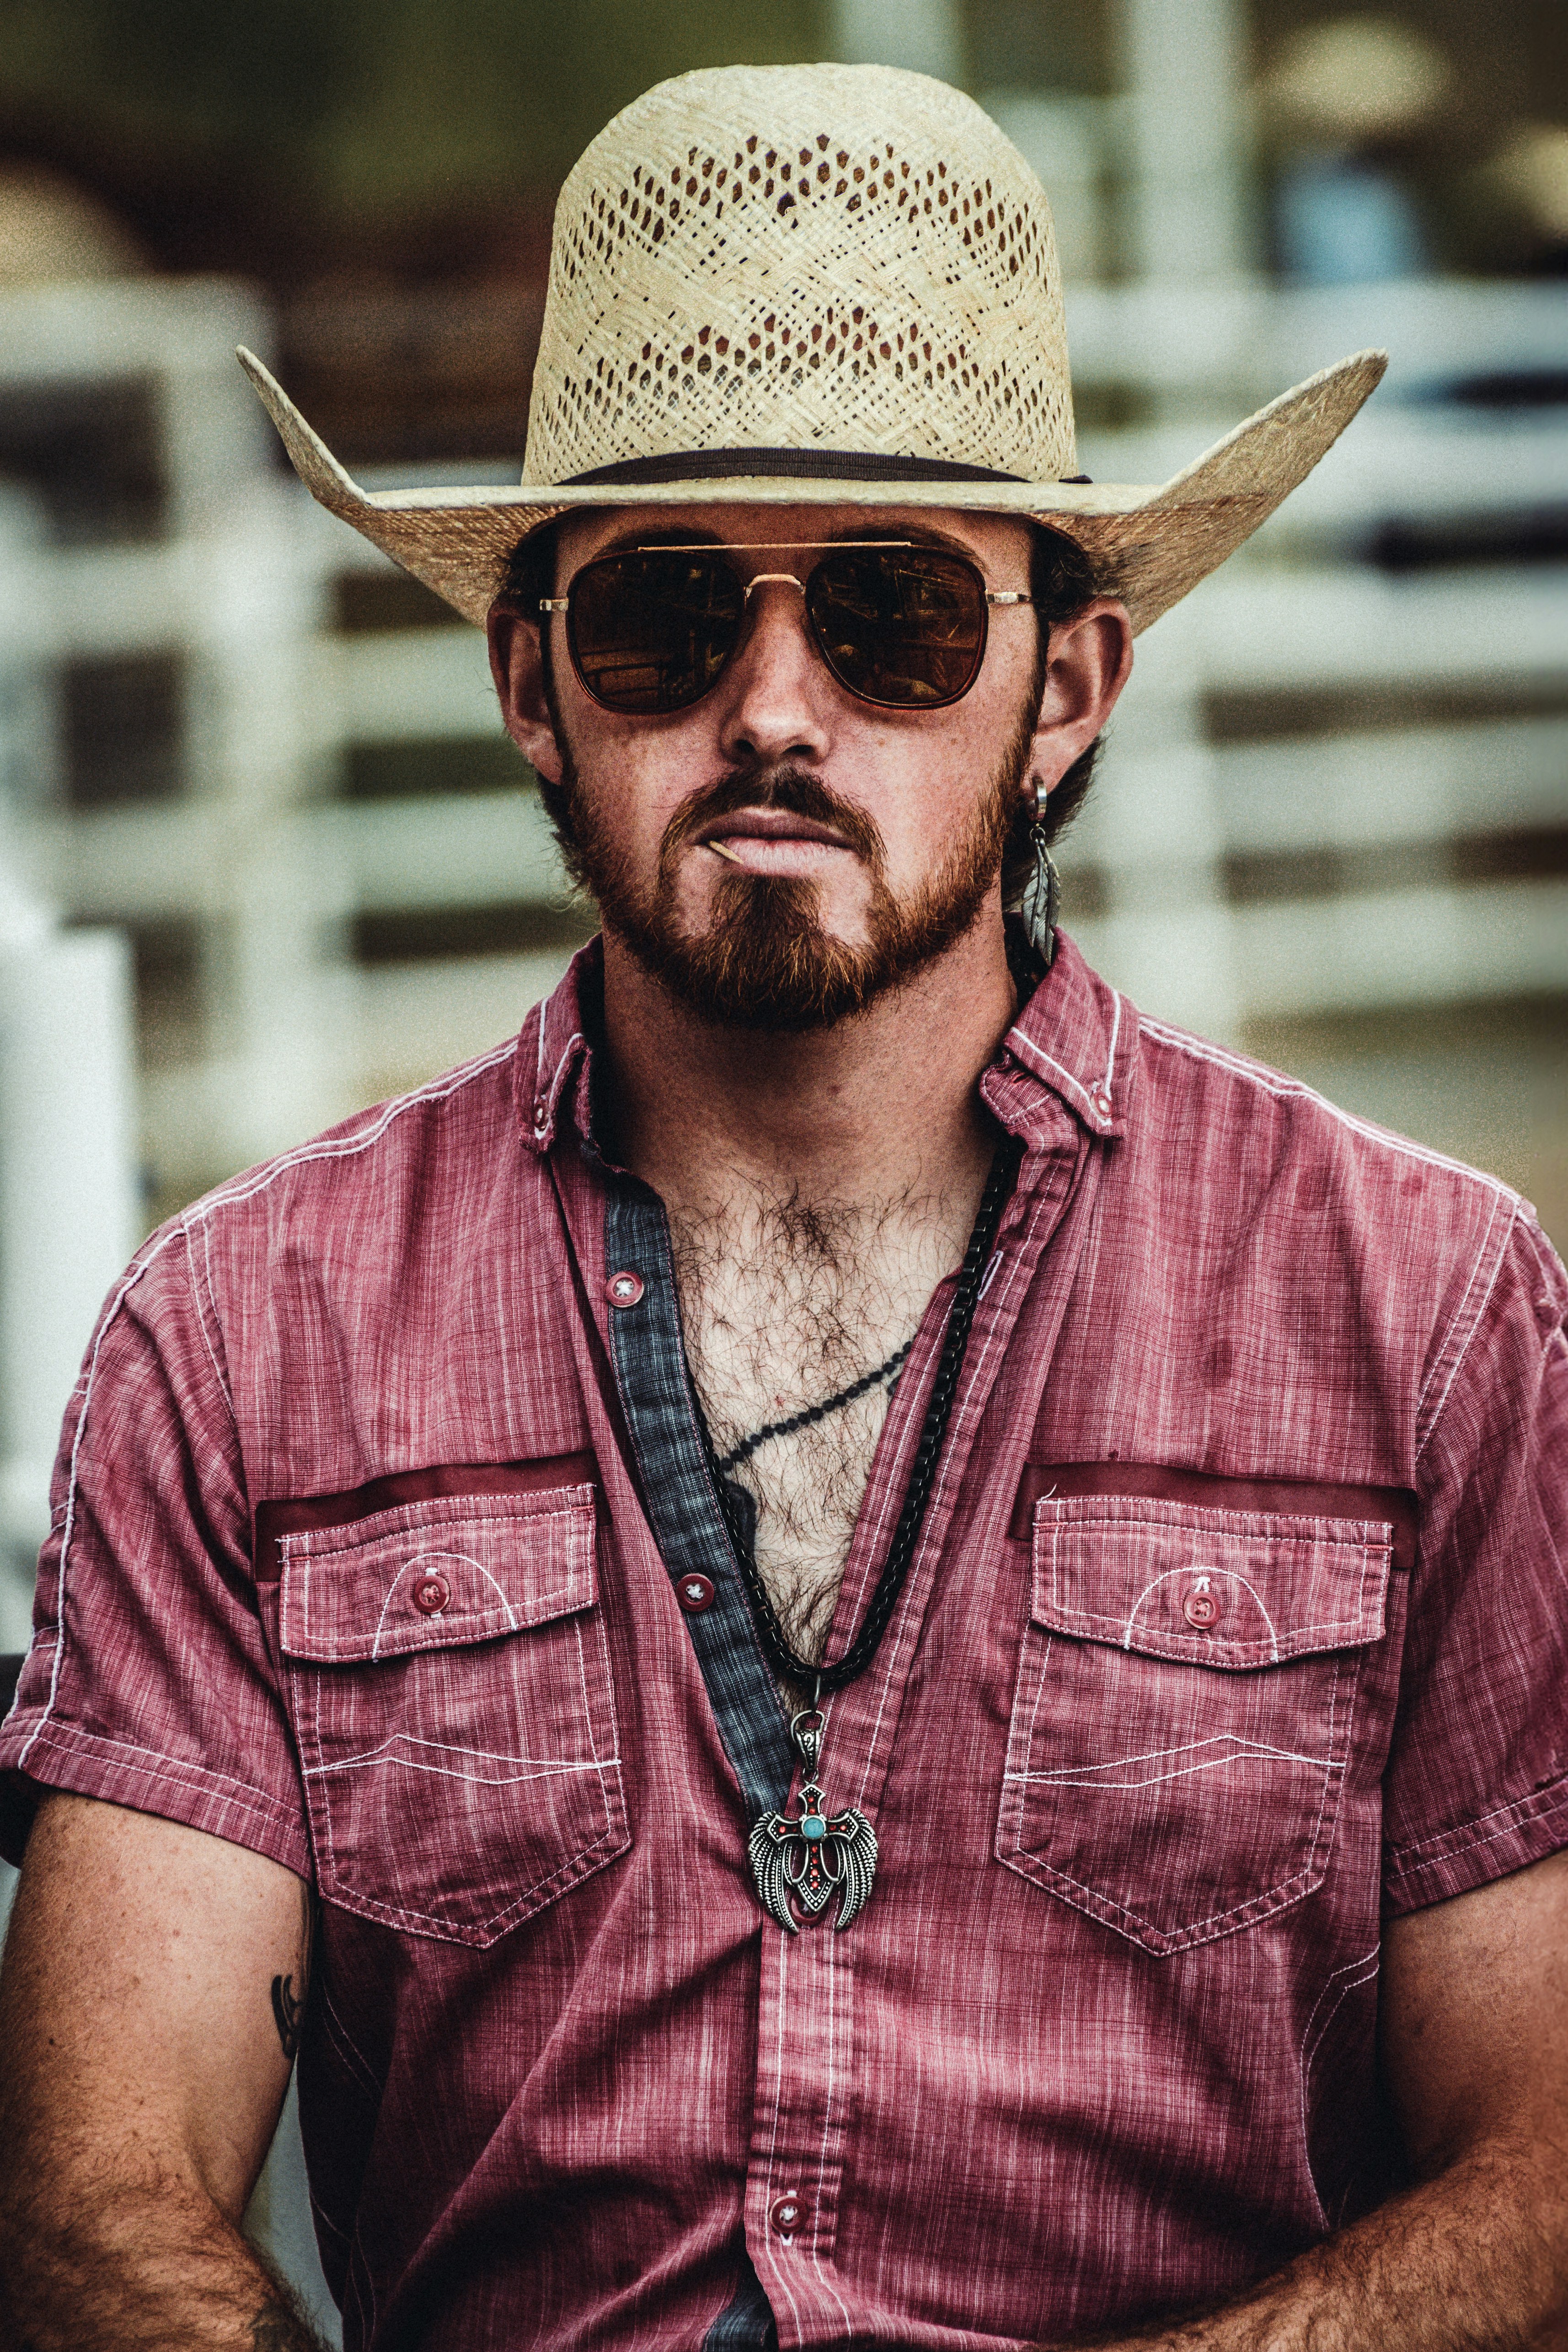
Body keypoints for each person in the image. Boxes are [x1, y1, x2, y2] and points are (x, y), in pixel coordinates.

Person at [0, 61, 1563, 2352]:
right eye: (658, 618)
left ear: (1070, 683)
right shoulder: (247, 1338)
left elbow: (1545, 2163)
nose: (772, 704)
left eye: (900, 615)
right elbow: (90, 2206)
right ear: (534, 684)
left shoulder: (1420, 1309)